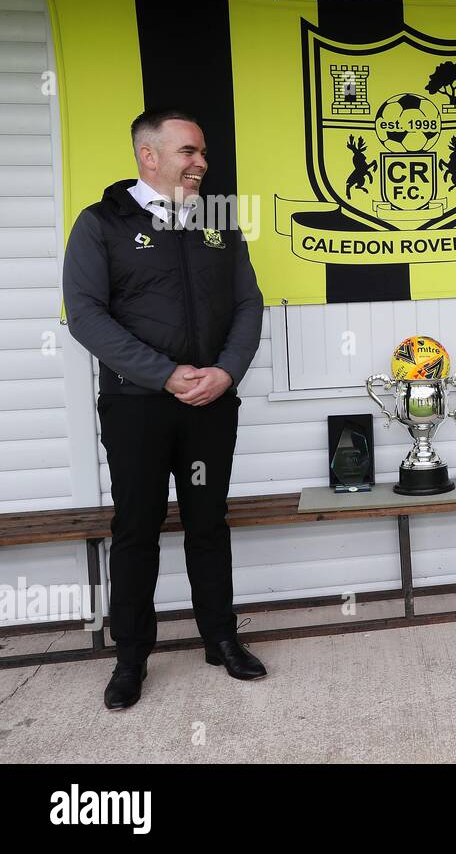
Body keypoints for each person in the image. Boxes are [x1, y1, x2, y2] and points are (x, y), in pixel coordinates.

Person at [63, 109, 267, 710]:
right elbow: (86, 315)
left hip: (210, 405)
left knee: (208, 523)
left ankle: (221, 638)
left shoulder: (218, 222)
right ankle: (130, 658)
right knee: (136, 529)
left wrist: (225, 372)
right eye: (188, 151)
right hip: (136, 409)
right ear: (148, 156)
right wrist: (166, 375)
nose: (201, 162)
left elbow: (248, 305)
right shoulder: (101, 224)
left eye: (202, 151)